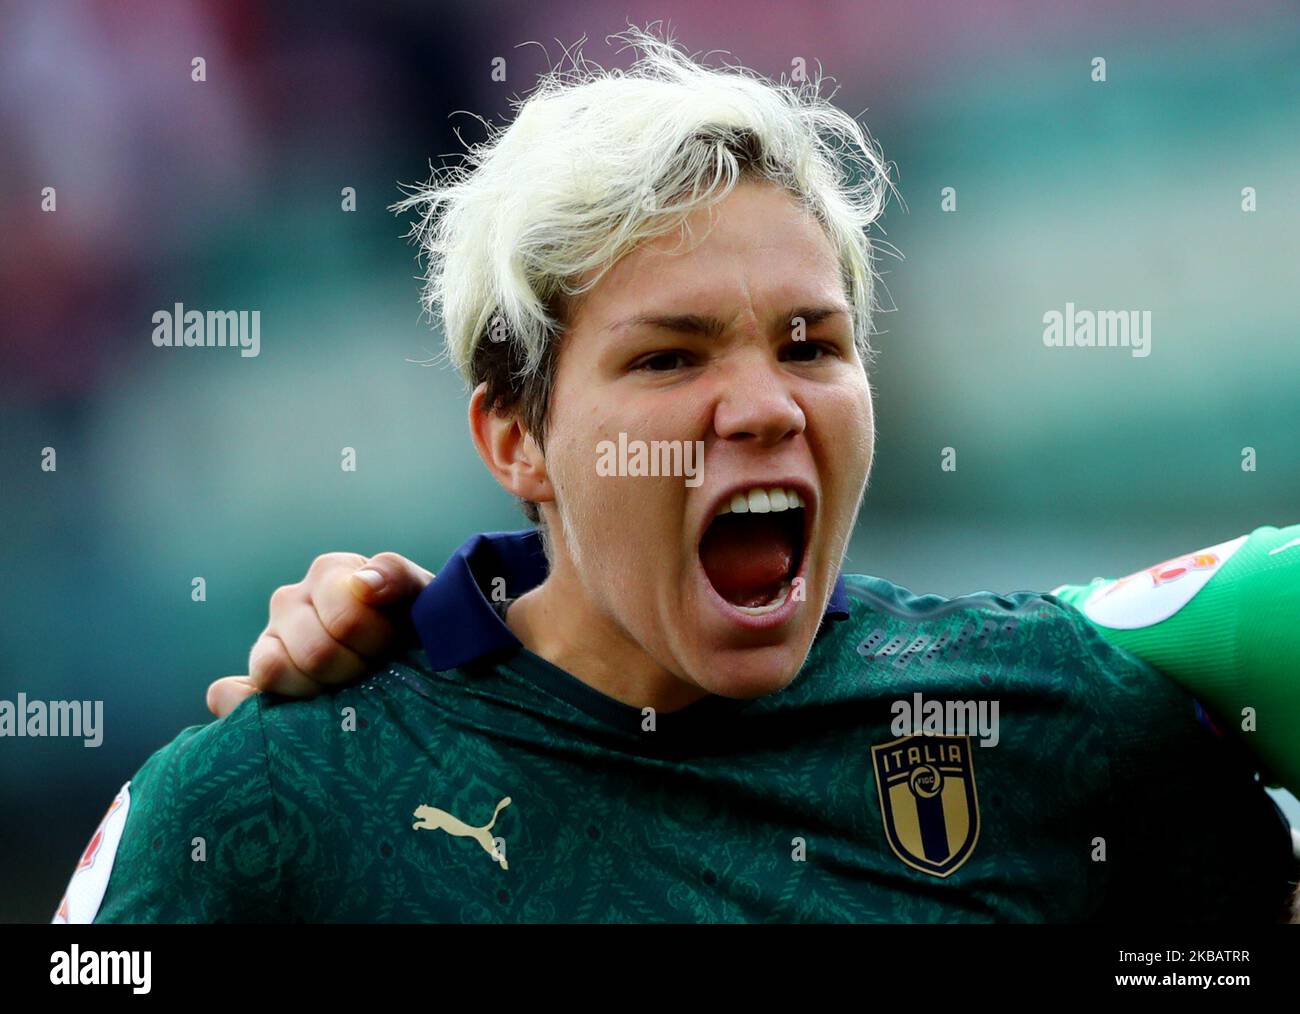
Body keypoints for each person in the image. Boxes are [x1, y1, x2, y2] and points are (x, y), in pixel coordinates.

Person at [54, 28, 1297, 924]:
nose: (763, 405)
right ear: (513, 439)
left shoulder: (1055, 720)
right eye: (668, 356)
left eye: (810, 344)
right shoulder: (263, 804)